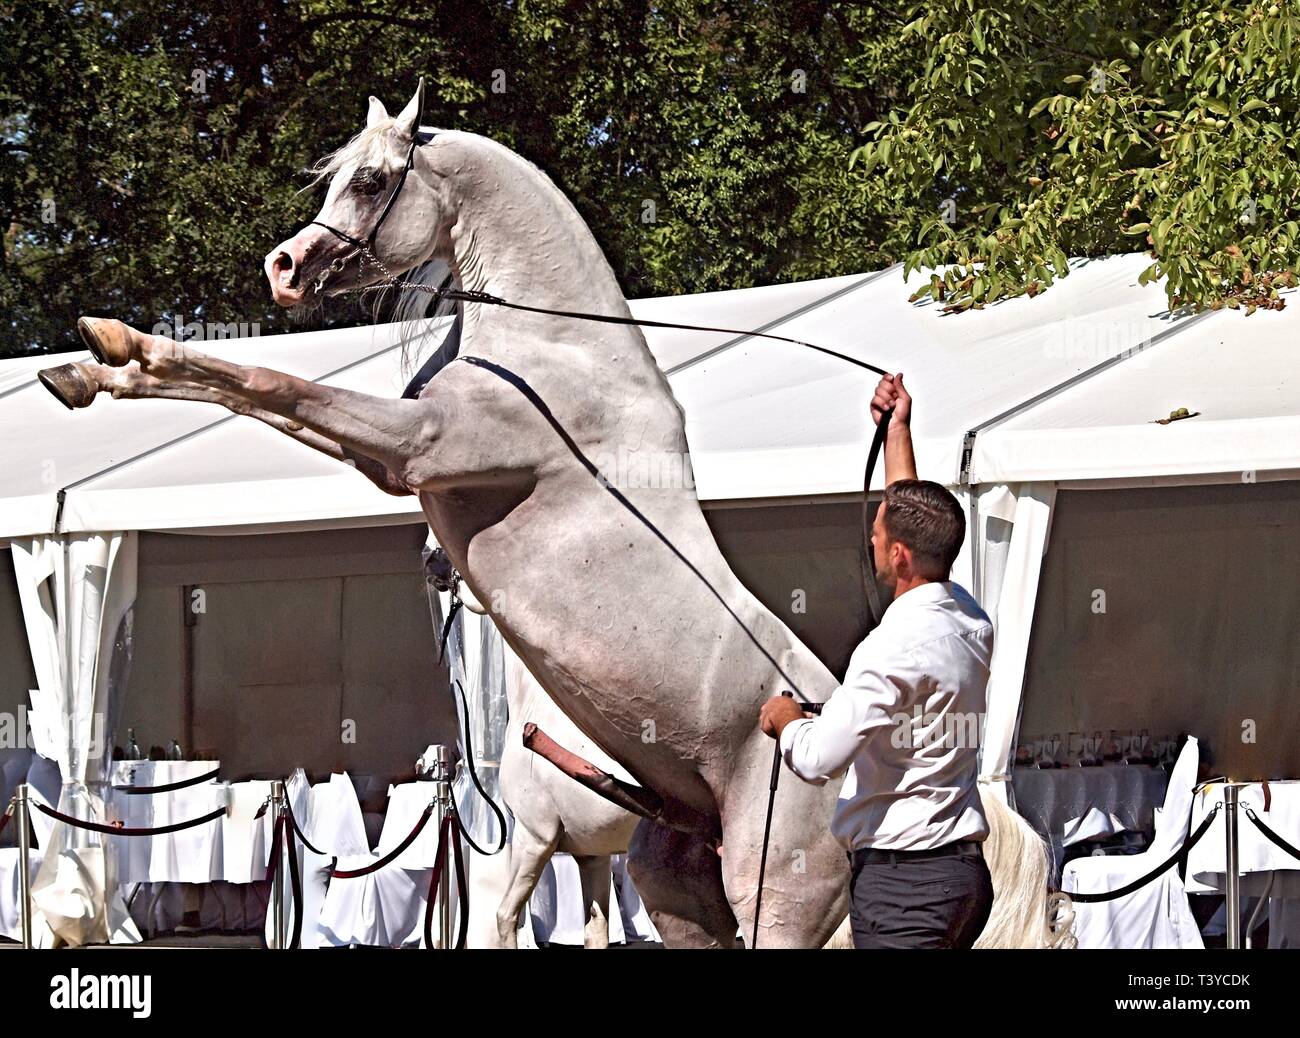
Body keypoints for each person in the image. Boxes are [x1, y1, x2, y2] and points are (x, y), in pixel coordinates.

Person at [759, 373, 995, 949]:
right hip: (961, 877)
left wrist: (785, 720)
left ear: (898, 554)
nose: (870, 543)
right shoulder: (968, 617)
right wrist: (898, 430)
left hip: (905, 885)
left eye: (876, 535)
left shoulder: (887, 649)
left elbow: (818, 759)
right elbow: (914, 515)